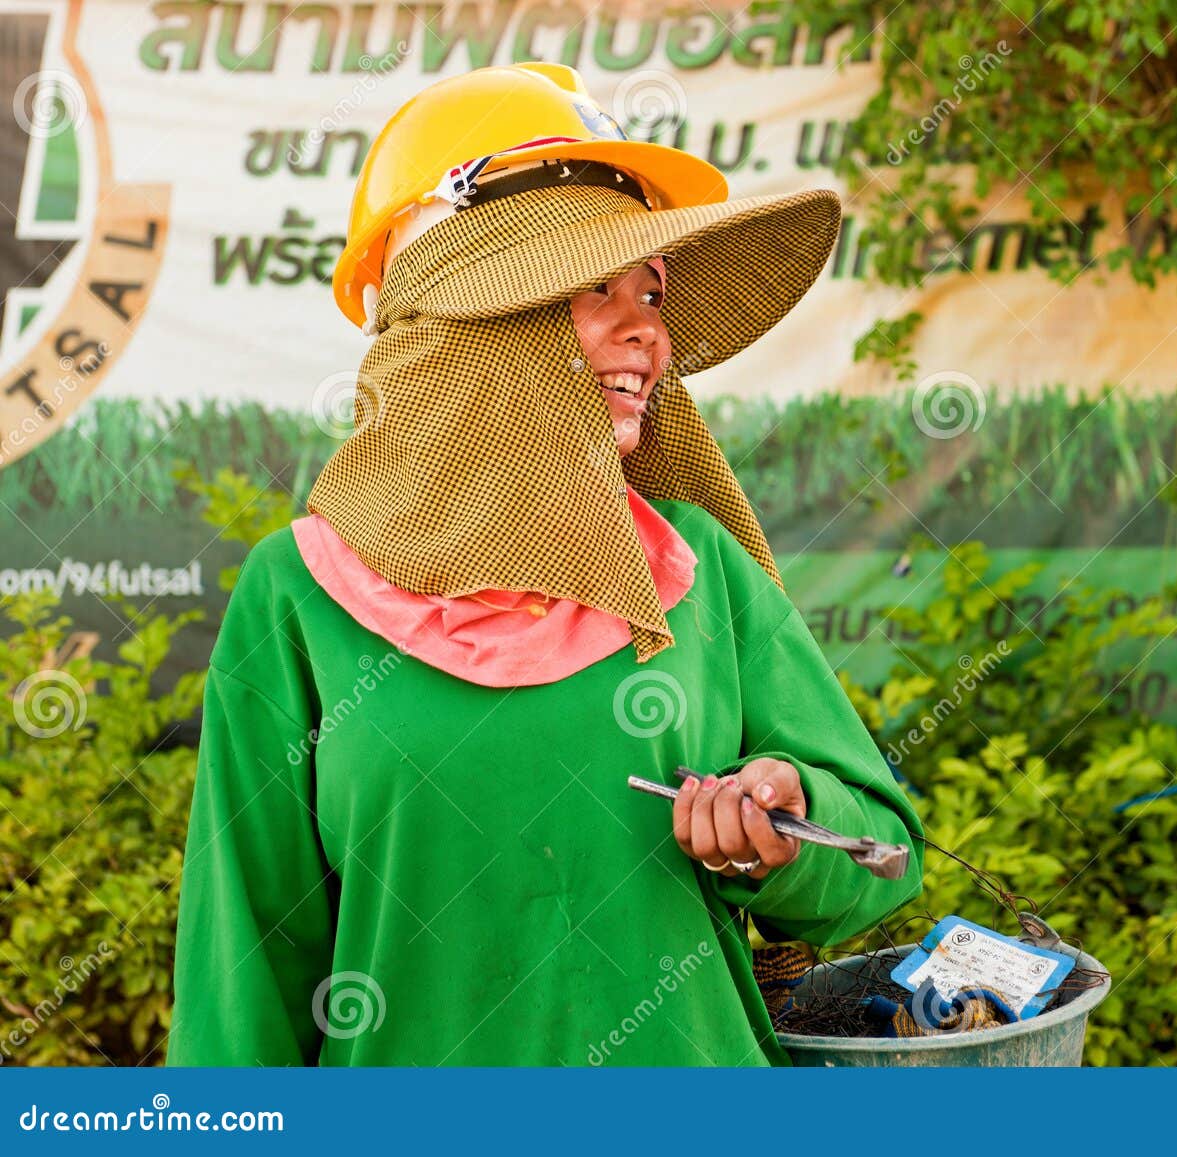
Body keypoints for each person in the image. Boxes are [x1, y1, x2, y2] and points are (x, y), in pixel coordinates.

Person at [165, 62, 924, 1067]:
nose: (647, 328)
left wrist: (781, 828)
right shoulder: (299, 595)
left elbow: (881, 855)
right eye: (588, 288)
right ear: (458, 328)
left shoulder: (698, 567)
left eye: (649, 292)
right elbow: (245, 964)